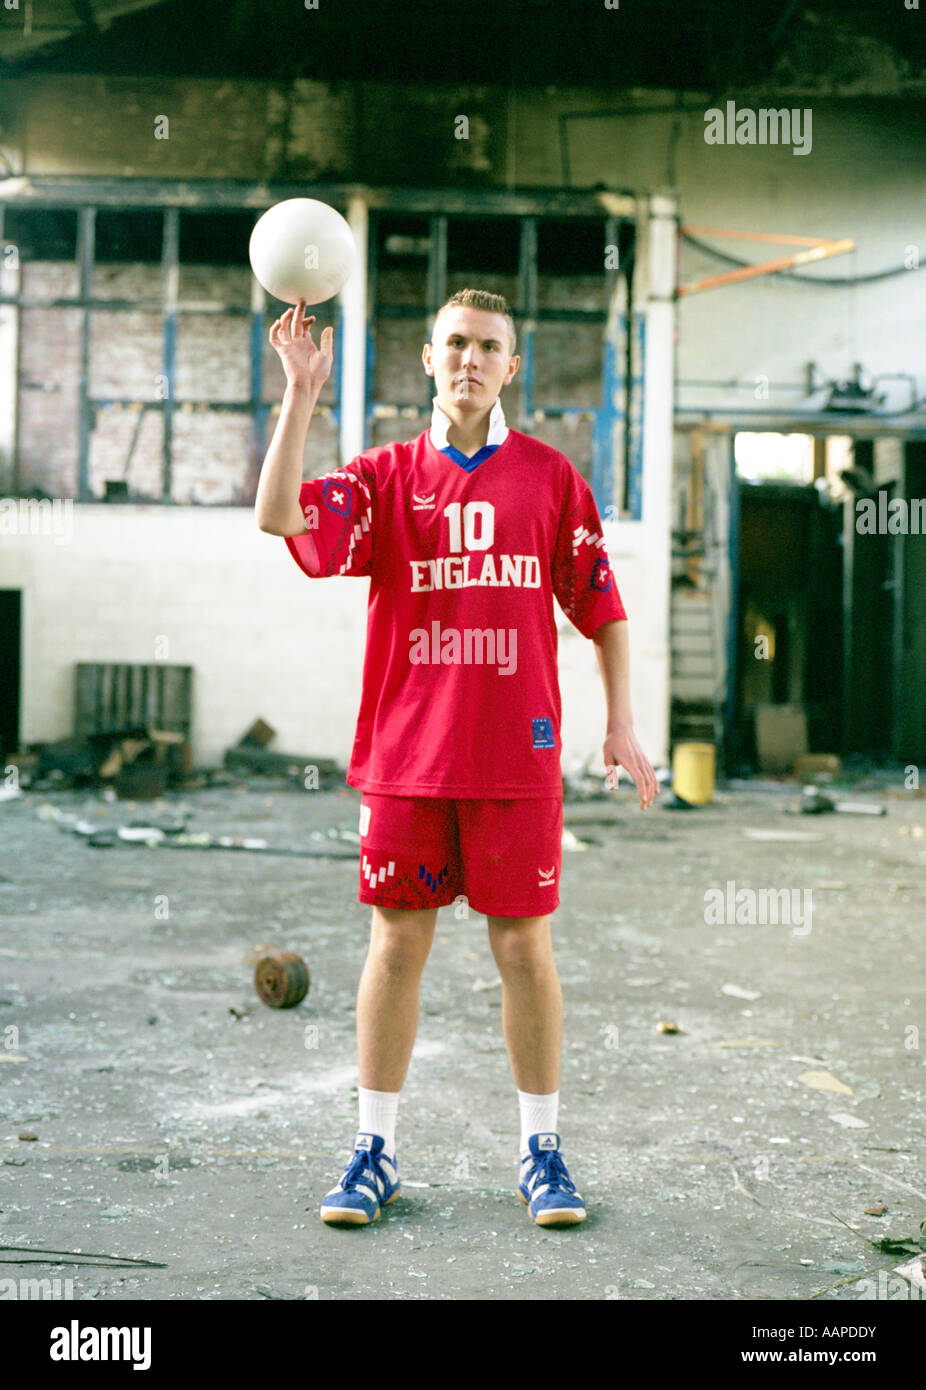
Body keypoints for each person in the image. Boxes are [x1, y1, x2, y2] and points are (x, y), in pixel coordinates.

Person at [255, 288, 657, 1228]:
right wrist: (300, 393)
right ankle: (374, 1150)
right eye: (454, 344)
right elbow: (278, 516)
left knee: (523, 946)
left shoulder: (552, 479)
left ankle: (542, 1152)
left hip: (518, 760)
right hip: (408, 759)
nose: (471, 359)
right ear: (428, 360)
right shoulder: (387, 478)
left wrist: (621, 723)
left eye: (489, 347)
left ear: (512, 367)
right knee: (397, 944)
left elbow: (601, 608)